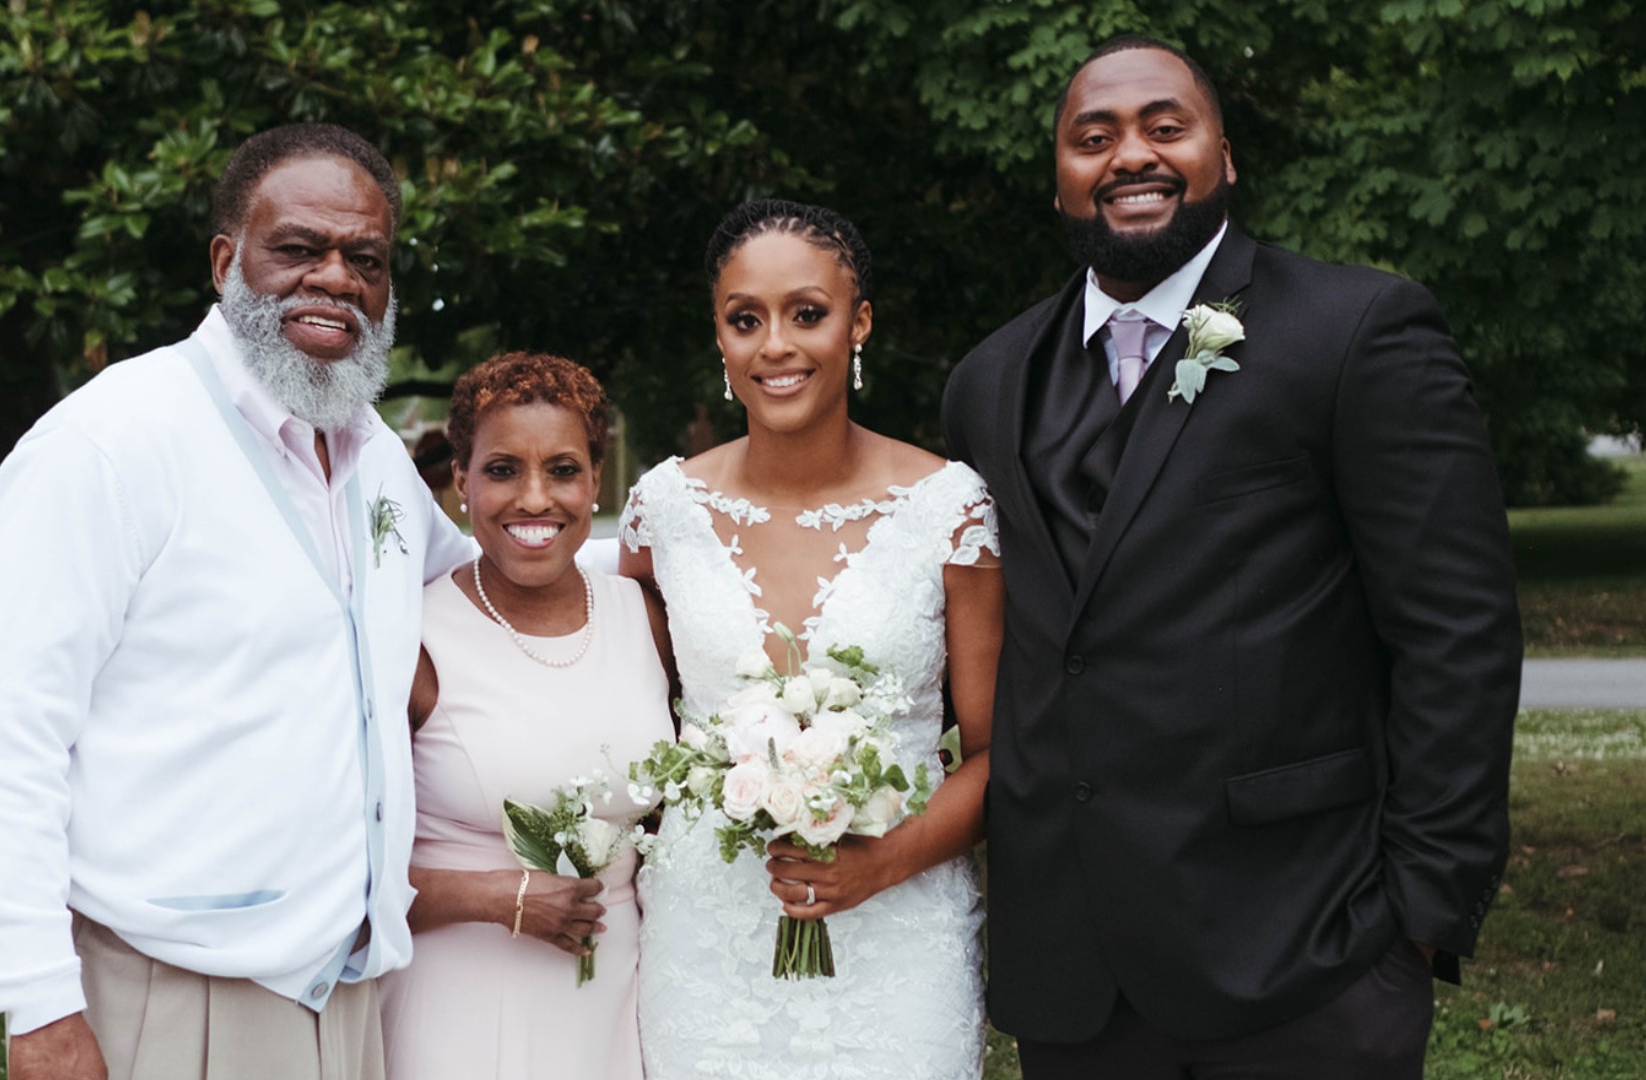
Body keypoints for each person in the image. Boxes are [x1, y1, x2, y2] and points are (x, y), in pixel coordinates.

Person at [942, 35, 1523, 1079]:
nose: (1131, 154)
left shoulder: (1355, 330)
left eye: (1166, 127)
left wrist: (1421, 917)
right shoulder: (987, 381)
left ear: (1225, 154)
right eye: (1093, 137)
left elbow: (1458, 634)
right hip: (1074, 976)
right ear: (1060, 175)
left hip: (1308, 951)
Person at [0, 123, 472, 1080]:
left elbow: (484, 584)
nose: (336, 279)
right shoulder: (109, 445)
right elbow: (3, 741)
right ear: (226, 261)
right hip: (172, 995)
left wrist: (673, 540)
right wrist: (39, 1006)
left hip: (347, 996)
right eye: (299, 248)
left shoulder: (375, 453)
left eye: (367, 259)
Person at [621, 198, 1006, 1078]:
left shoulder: (949, 509)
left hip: (897, 934)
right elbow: (623, 708)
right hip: (708, 935)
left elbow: (998, 753)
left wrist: (881, 863)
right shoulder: (664, 511)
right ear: (719, 337)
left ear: (858, 322)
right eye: (744, 320)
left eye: (807, 313)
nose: (776, 346)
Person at [377, 352, 673, 1079]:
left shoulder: (645, 618)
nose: (535, 499)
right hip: (460, 1007)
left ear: (595, 480)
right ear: (461, 480)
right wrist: (497, 895)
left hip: (613, 1002)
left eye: (563, 470)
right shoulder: (414, 639)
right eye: (503, 470)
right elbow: (337, 871)